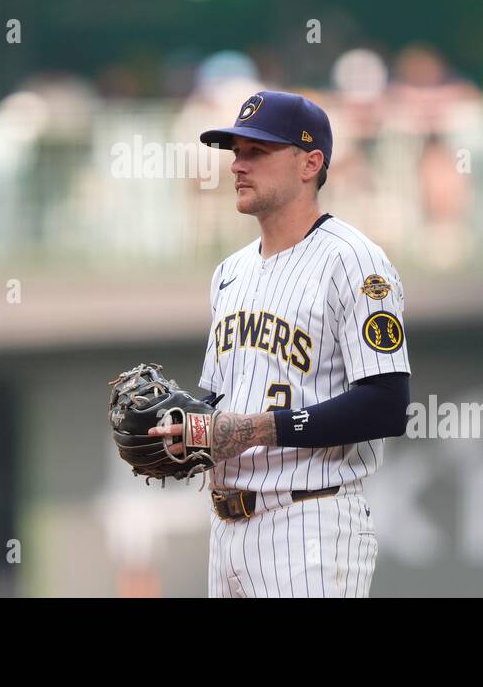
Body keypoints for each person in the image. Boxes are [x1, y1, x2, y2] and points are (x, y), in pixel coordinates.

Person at [148, 90, 412, 598]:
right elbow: (219, 401)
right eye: (236, 152)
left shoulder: (355, 262)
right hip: (226, 529)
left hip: (309, 522)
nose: (237, 166)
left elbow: (387, 405)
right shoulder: (229, 273)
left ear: (310, 163)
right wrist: (180, 426)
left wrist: (255, 429)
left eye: (257, 152)